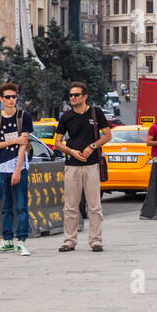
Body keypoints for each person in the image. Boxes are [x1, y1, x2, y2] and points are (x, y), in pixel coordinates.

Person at [56, 81, 111, 252]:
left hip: (91, 164)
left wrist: (92, 147)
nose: (72, 98)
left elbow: (107, 135)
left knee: (94, 205)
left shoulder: (96, 113)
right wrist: (71, 151)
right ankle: (69, 241)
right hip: (72, 165)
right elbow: (57, 142)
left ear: (84, 96)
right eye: (70, 95)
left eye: (76, 95)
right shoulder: (66, 117)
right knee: (71, 205)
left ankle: (96, 241)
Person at [0, 82, 34, 256]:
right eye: (7, 97)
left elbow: (24, 144)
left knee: (21, 205)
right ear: (1, 99)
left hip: (19, 166)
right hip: (1, 166)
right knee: (6, 206)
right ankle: (7, 240)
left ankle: (21, 240)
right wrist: (12, 141)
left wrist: (17, 170)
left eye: (14, 97)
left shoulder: (23, 117)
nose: (11, 100)